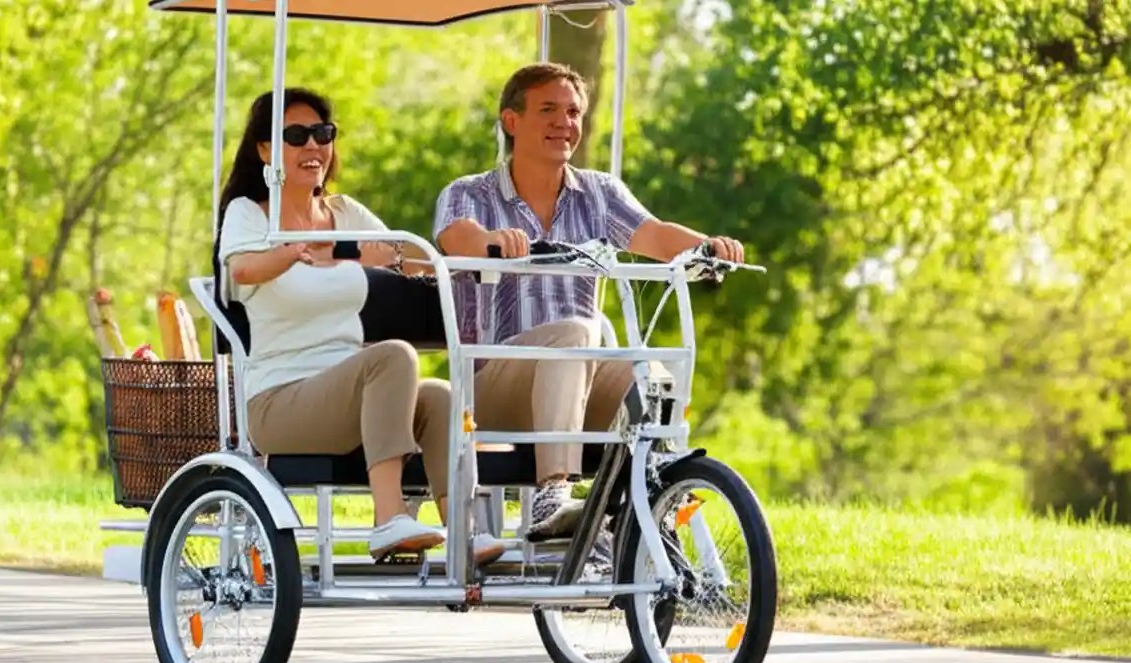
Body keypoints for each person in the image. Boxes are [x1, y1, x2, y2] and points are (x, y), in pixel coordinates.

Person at [433, 63, 746, 542]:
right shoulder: (469, 193)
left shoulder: (599, 192)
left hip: (575, 381)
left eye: (574, 112)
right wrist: (492, 241)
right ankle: (550, 498)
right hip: (491, 387)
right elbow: (458, 238)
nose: (565, 123)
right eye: (549, 110)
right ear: (512, 121)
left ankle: (648, 503)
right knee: (578, 334)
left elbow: (655, 235)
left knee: (652, 373)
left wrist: (708, 247)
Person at [217, 88, 505, 564]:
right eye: (296, 136)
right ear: (266, 151)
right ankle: (388, 518)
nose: (313, 146)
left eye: (322, 134)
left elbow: (415, 259)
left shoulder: (345, 214)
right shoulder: (250, 215)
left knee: (439, 398)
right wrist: (290, 253)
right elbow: (242, 271)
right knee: (393, 355)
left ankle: (463, 532)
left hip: (345, 393)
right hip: (278, 400)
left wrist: (388, 253)